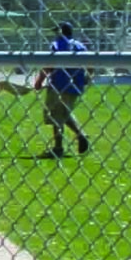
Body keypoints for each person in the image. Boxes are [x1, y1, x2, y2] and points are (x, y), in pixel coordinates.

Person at [33, 21, 91, 158]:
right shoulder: (80, 46)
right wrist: (88, 77)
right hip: (75, 85)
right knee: (64, 113)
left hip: (58, 84)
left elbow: (49, 64)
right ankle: (80, 134)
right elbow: (90, 64)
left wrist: (39, 80)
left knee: (56, 117)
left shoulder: (57, 45)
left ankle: (59, 148)